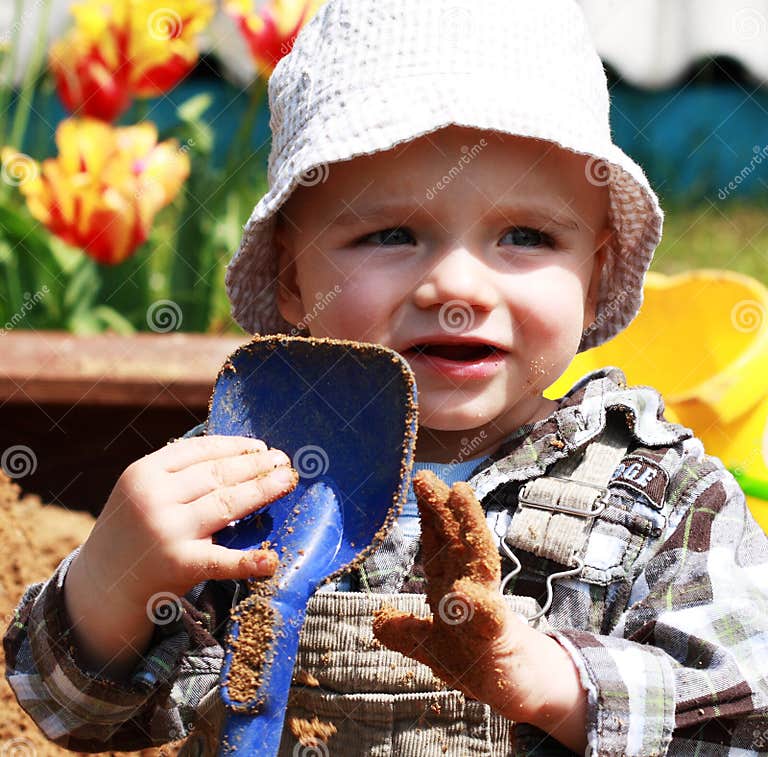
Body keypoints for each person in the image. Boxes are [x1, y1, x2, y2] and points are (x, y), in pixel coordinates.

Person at [5, 0, 768, 754]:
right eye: (391, 234)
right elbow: (78, 713)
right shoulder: (249, 481)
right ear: (293, 279)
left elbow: (746, 714)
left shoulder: (661, 494)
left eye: (526, 235)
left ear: (596, 276)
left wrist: (557, 683)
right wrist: (114, 577)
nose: (457, 287)